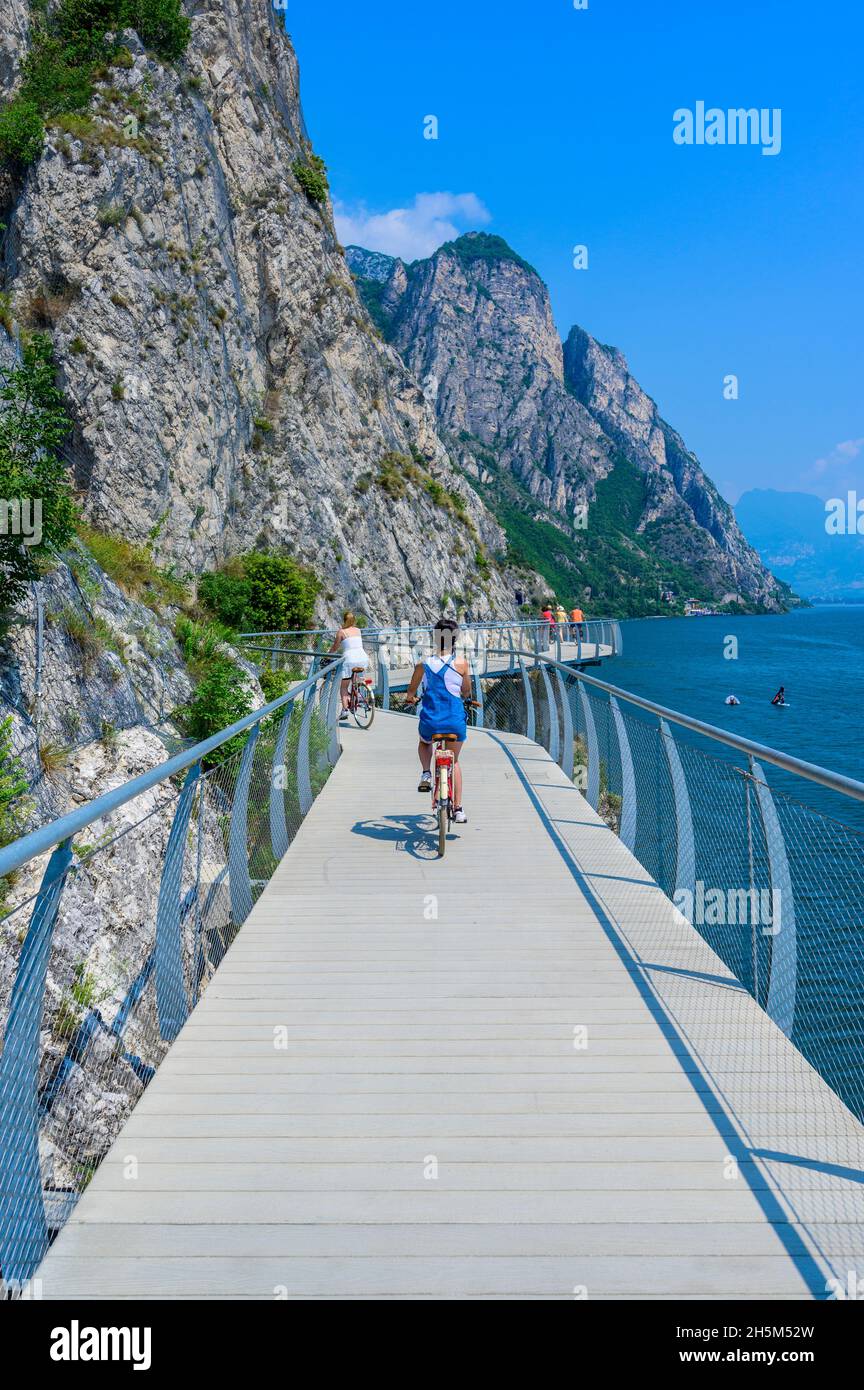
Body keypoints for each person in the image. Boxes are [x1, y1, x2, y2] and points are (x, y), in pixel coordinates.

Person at [405, 618, 472, 824]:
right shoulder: (461, 664)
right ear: (455, 640)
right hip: (454, 722)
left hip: (430, 722)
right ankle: (459, 809)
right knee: (455, 761)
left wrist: (410, 698)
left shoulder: (423, 665)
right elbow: (466, 691)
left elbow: (411, 691)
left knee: (425, 742)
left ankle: (426, 773)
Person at [328, 610, 369, 718]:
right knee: (357, 681)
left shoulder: (341, 632)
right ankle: (359, 696)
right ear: (354, 620)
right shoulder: (358, 630)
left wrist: (328, 656)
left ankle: (345, 710)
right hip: (362, 658)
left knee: (344, 686)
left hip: (349, 659)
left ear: (344, 620)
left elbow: (335, 647)